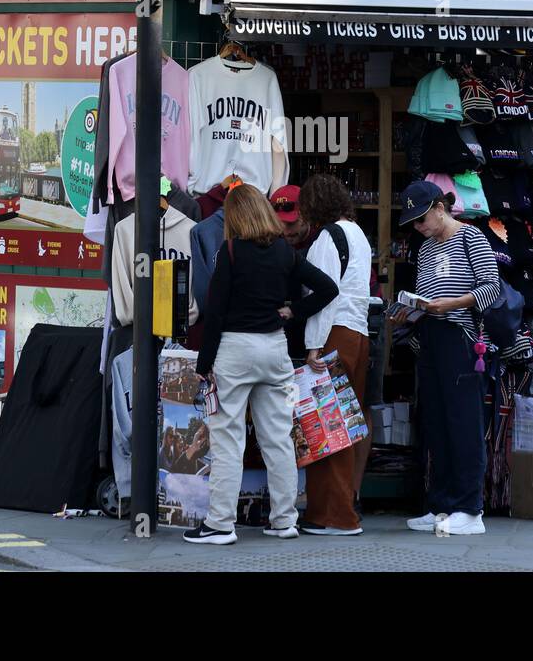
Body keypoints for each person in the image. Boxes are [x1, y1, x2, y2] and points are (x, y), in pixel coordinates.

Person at [185, 184, 339, 545]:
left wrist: (204, 364)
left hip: (235, 351)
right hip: (275, 349)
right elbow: (328, 288)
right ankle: (284, 520)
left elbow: (216, 311)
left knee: (227, 440)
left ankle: (220, 524)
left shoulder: (232, 252)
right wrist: (293, 312)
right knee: (278, 438)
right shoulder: (284, 251)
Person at [392, 179, 501, 536]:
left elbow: (491, 286)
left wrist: (451, 304)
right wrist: (411, 311)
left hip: (461, 336)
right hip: (431, 335)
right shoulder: (424, 250)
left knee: (463, 422)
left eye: (422, 219)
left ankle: (471, 508)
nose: (419, 228)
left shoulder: (471, 237)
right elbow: (426, 293)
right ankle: (440, 504)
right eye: (414, 223)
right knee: (435, 422)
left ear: (441, 208)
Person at [296, 174, 374, 536]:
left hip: (334, 336)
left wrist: (313, 343)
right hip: (358, 334)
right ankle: (338, 511)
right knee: (345, 427)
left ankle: (333, 515)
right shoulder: (357, 234)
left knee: (326, 430)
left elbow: (324, 293)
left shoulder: (327, 238)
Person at [270, 184, 314, 251]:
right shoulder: (270, 243)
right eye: (279, 225)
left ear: (306, 216)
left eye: (290, 224)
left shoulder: (322, 242)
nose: (286, 232)